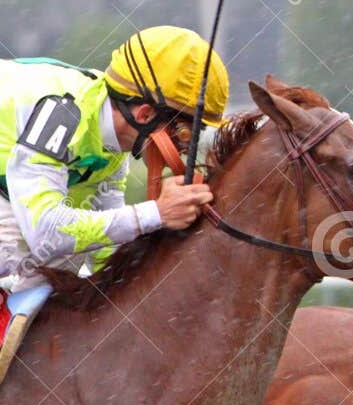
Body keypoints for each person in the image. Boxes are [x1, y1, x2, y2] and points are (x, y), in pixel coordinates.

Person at [0, 27, 227, 357]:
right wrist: (157, 213)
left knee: (61, 268)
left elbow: (104, 249)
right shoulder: (61, 115)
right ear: (145, 114)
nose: (183, 146)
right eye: (180, 130)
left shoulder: (110, 148)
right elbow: (47, 231)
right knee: (13, 250)